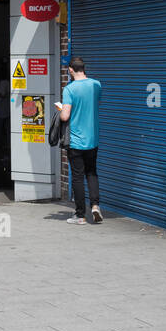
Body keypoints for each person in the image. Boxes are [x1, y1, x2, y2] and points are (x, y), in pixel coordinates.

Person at [59, 56, 102, 224]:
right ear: (84, 68)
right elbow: (95, 103)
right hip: (93, 138)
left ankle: (80, 215)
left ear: (70, 70)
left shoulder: (69, 89)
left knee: (77, 177)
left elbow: (65, 116)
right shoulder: (96, 84)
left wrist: (60, 109)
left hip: (76, 140)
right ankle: (95, 206)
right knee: (91, 172)